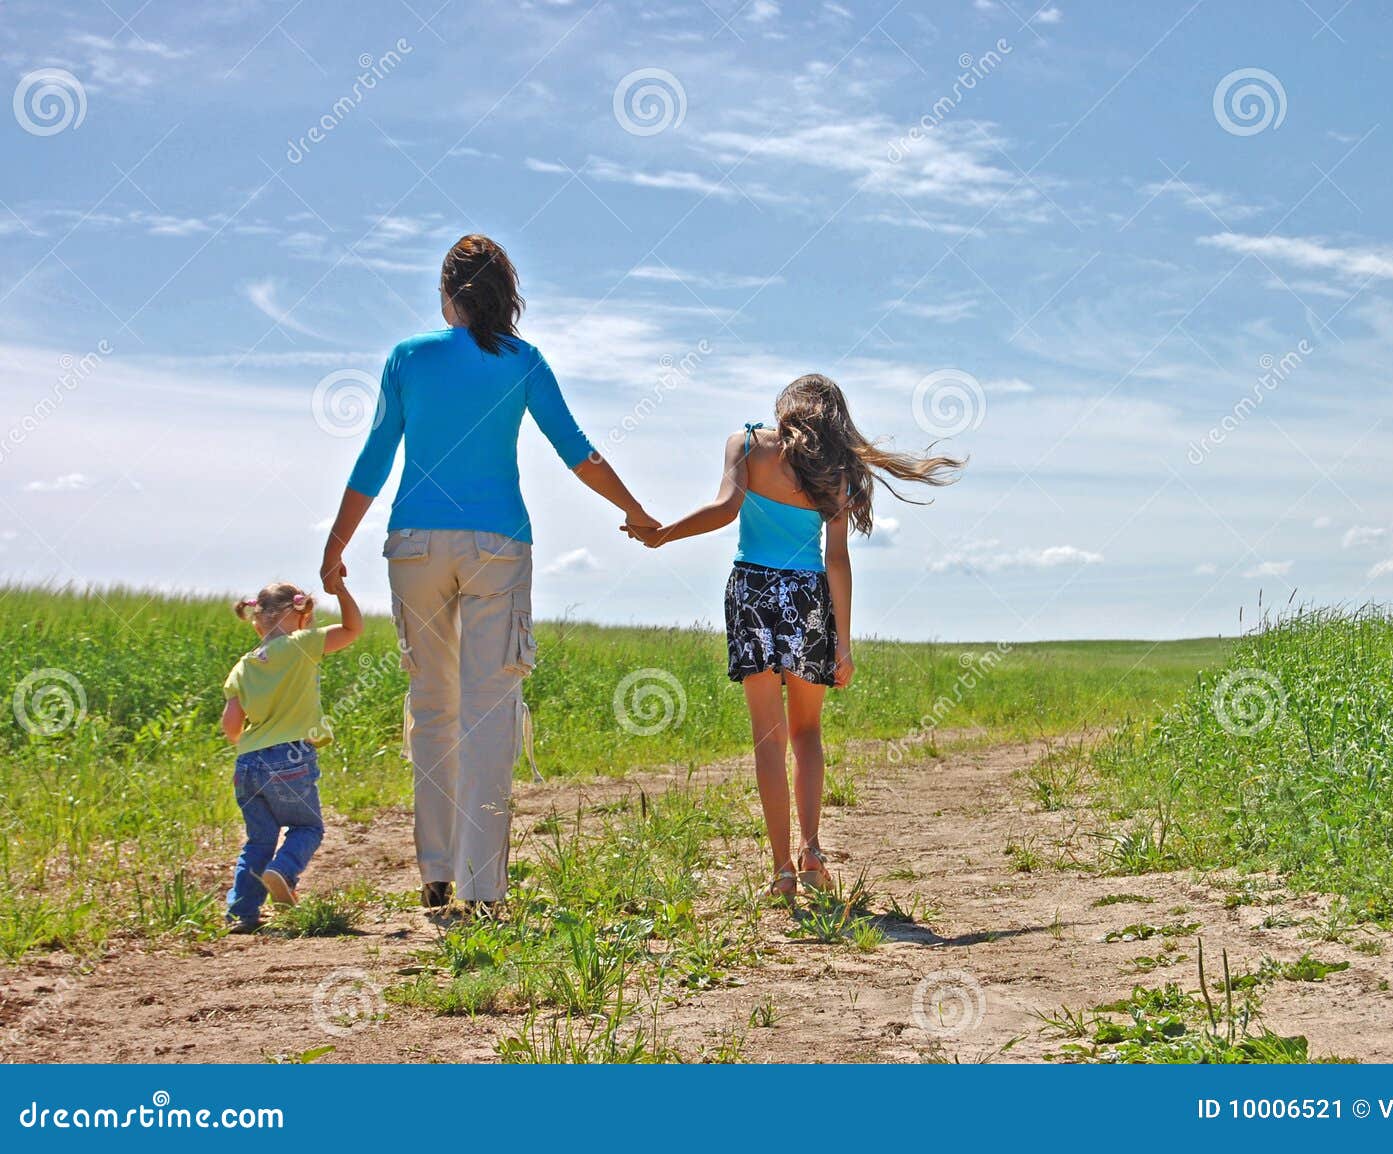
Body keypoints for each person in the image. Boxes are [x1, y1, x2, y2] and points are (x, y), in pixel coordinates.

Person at [320, 234, 656, 915]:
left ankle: (436, 875)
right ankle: (483, 889)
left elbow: (375, 457)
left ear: (449, 295)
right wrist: (635, 511)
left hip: (414, 544)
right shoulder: (523, 362)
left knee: (432, 708)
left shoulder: (407, 358)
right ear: (505, 295)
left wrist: (335, 545)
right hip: (498, 545)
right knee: (488, 713)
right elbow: (577, 452)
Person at [626, 374, 963, 897]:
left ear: (787, 406)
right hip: (807, 599)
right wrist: (843, 644)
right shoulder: (835, 473)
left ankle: (781, 870)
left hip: (752, 592)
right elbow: (837, 559)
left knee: (769, 737)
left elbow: (723, 510)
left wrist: (663, 533)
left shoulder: (746, 443)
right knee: (807, 735)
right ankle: (812, 854)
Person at [221, 579, 364, 932]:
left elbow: (231, 725)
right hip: (291, 756)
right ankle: (282, 872)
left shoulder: (243, 665)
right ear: (302, 614)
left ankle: (242, 913)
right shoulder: (302, 644)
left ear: (257, 621)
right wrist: (343, 593)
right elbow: (351, 629)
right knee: (307, 827)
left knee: (259, 839)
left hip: (248, 762)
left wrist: (254, 741)